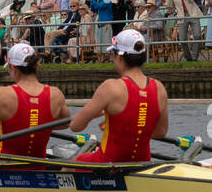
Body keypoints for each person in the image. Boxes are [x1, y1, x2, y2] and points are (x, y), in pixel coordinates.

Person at [69, 28, 168, 163]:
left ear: (119, 57)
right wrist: (126, 129)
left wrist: (95, 116)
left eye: (112, 55)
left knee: (70, 164)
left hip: (108, 162)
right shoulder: (159, 88)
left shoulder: (111, 87)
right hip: (143, 162)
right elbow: (161, 132)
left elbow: (75, 126)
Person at [0, 44, 69, 158]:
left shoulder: (1, 94)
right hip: (37, 164)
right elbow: (66, 123)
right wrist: (36, 126)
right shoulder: (56, 94)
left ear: (13, 69)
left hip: (2, 164)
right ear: (37, 66)